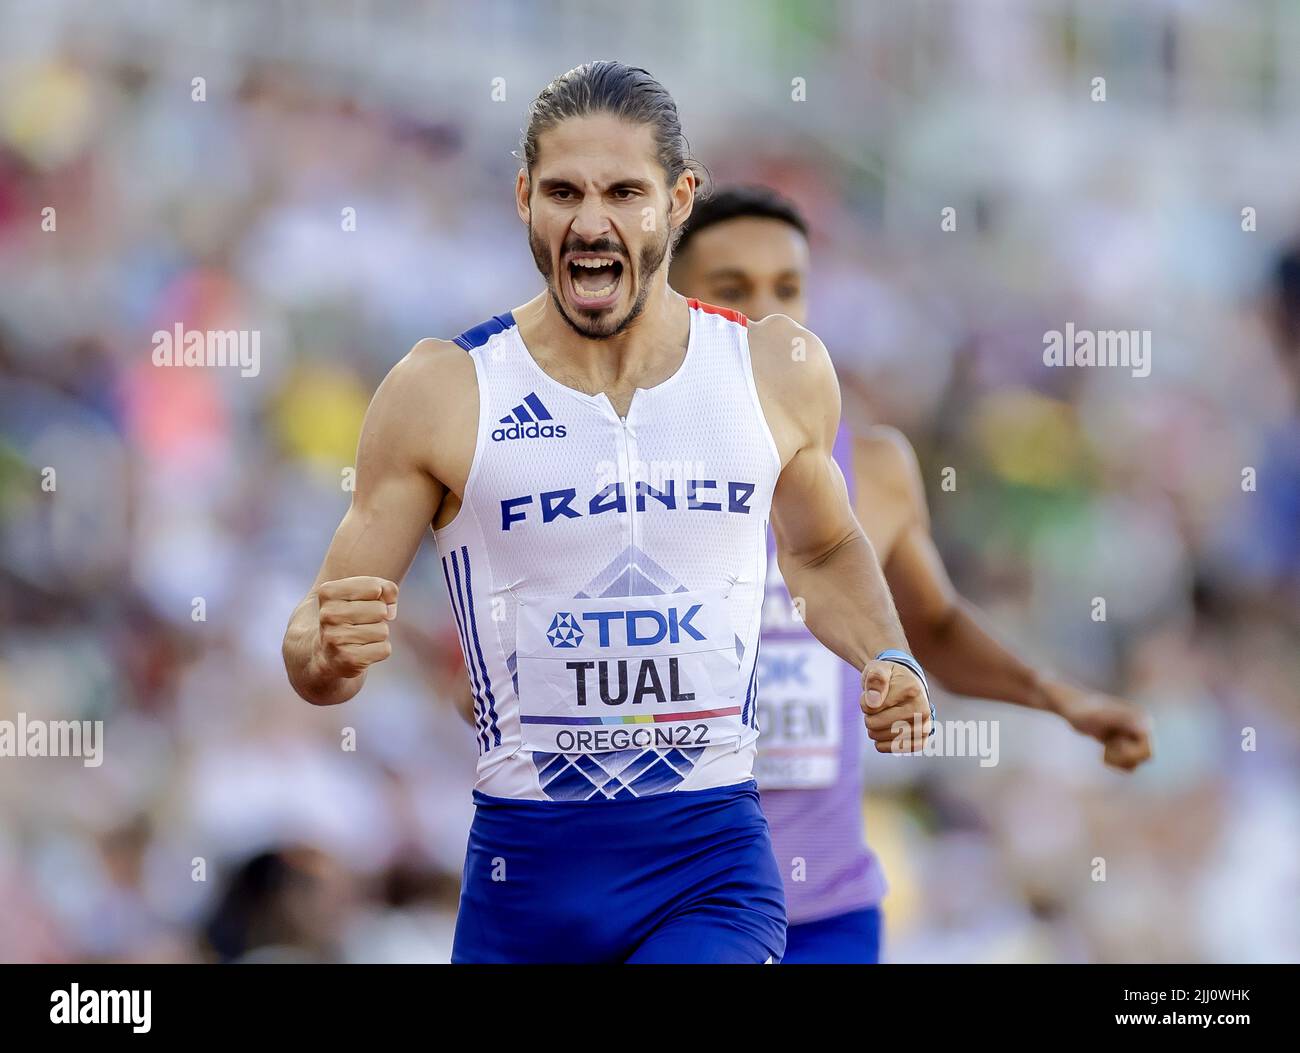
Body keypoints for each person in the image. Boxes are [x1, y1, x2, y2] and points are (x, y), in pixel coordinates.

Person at [282, 63, 933, 964]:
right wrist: (322, 648)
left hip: (711, 863)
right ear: (523, 198)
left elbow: (822, 548)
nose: (592, 223)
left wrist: (887, 652)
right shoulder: (443, 390)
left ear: (680, 200)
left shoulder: (773, 370)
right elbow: (322, 645)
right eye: (563, 192)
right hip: (525, 879)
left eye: (625, 192)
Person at [669, 185, 1154, 963]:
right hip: (677, 908)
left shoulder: (877, 467)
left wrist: (1058, 696)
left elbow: (932, 626)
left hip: (827, 912)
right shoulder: (617, 473)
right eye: (732, 290)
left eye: (787, 289)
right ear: (677, 303)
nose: (768, 315)